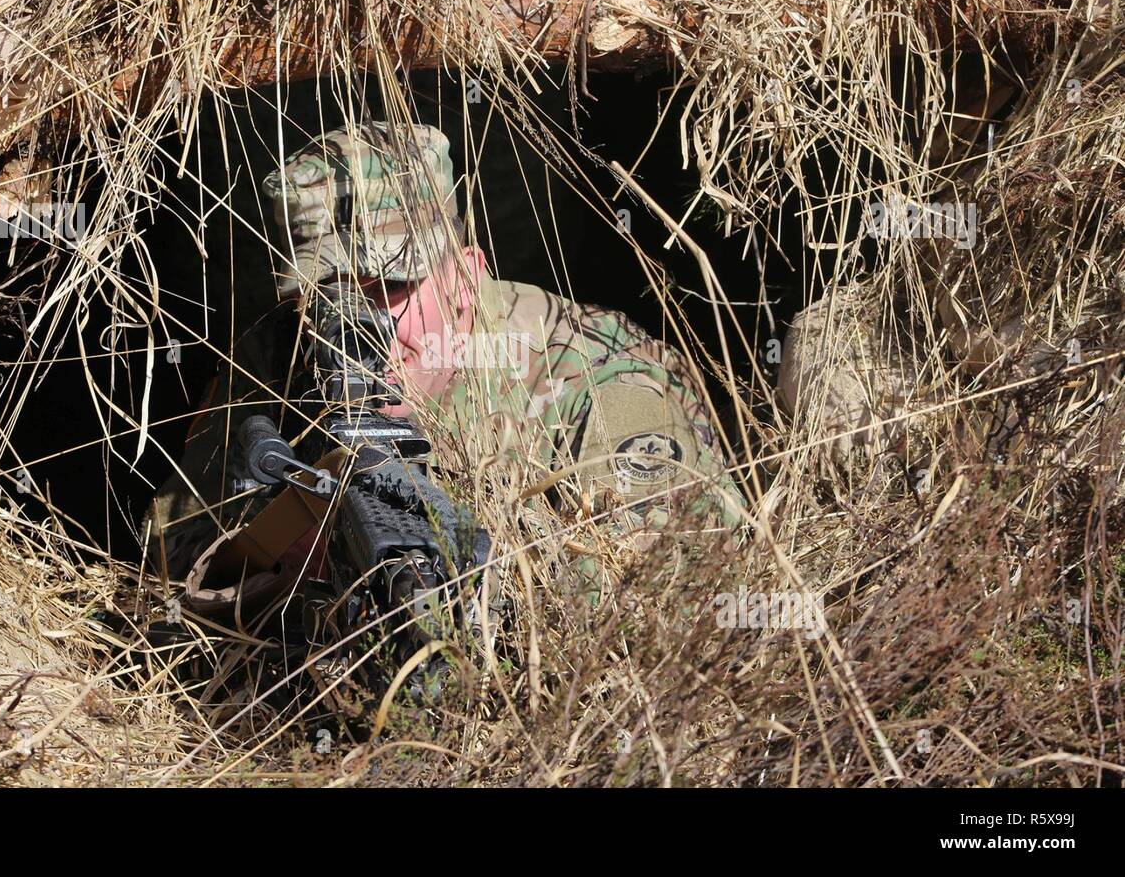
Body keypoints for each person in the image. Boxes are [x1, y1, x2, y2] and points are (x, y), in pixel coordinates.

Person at [143, 121, 744, 614]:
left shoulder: (596, 370)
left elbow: (668, 590)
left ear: (465, 277)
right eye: (326, 293)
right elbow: (164, 559)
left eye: (386, 290)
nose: (352, 325)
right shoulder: (276, 357)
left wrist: (446, 578)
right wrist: (276, 555)